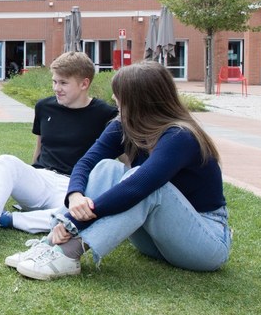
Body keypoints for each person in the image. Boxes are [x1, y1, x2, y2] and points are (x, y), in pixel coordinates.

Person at [12, 61, 231, 280]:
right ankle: (50, 243)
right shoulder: (123, 124)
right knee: (106, 167)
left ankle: (68, 254)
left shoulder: (180, 136)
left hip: (205, 242)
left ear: (140, 101)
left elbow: (138, 187)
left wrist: (74, 222)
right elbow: (86, 162)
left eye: (120, 98)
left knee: (142, 181)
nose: (114, 101)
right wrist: (75, 195)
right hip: (156, 241)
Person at [0, 51, 118, 249]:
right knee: (5, 161)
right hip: (41, 179)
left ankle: (7, 219)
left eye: (63, 83)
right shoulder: (44, 106)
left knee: (75, 214)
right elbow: (40, 146)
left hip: (73, 188)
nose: (56, 88)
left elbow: (121, 156)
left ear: (84, 84)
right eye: (54, 82)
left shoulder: (106, 114)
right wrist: (29, 176)